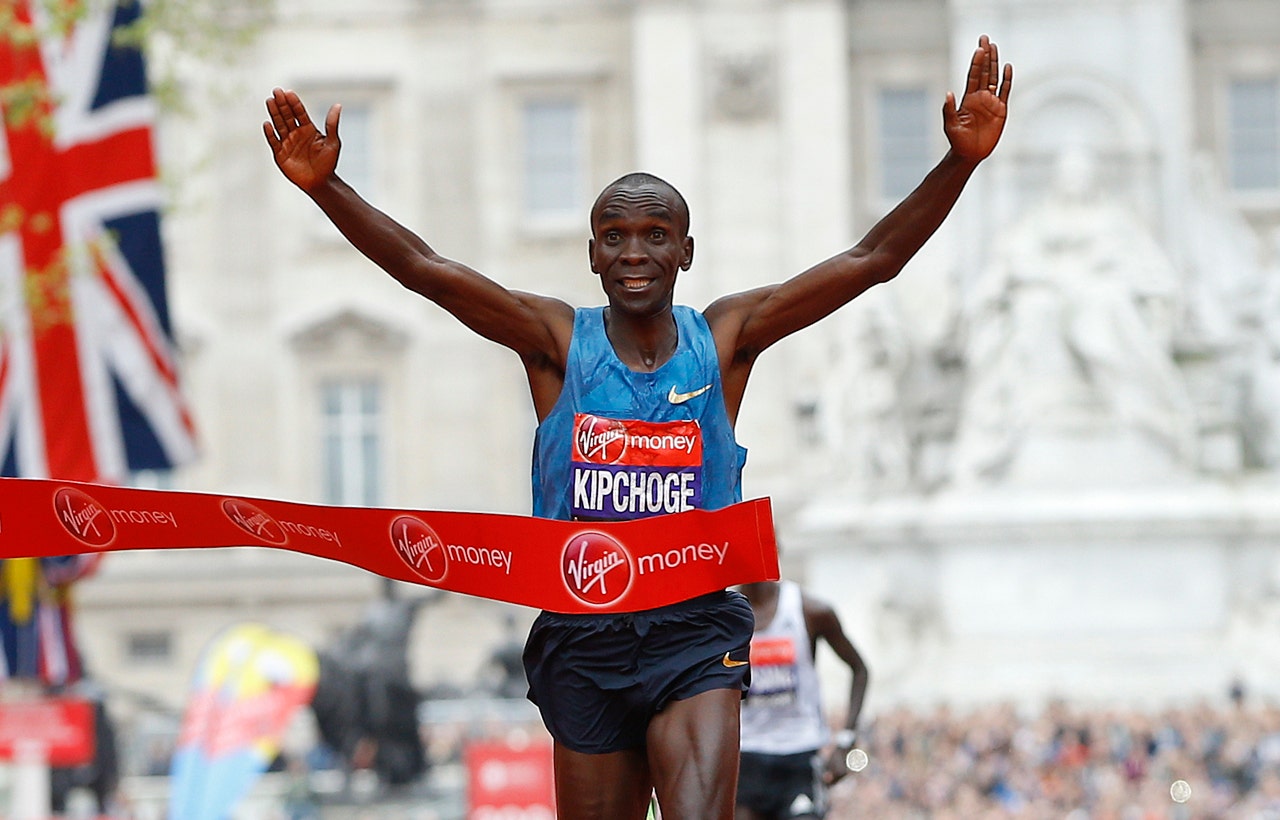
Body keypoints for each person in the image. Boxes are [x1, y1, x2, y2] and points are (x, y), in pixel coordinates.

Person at [263, 34, 1011, 820]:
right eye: (615, 237)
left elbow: (871, 259)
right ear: (591, 253)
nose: (635, 253)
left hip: (694, 633)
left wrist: (957, 163)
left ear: (686, 250)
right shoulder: (556, 342)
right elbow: (428, 270)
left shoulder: (724, 339)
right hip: (584, 636)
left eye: (656, 235)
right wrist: (328, 190)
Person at [735, 580, 869, 820]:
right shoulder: (724, 615)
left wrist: (846, 740)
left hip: (799, 756)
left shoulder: (810, 611)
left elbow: (859, 670)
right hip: (745, 757)